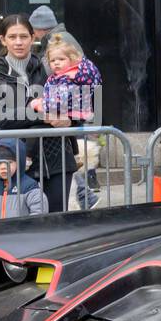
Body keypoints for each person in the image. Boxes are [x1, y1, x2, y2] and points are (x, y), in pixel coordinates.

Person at [0, 15, 74, 213]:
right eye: (12, 37)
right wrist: (38, 113)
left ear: (33, 38)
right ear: (2, 40)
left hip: (57, 157)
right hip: (15, 162)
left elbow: (76, 103)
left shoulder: (51, 67)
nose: (18, 42)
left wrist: (70, 119)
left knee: (57, 222)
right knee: (22, 227)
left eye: (23, 36)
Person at [34, 36, 103, 209]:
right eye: (52, 60)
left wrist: (38, 104)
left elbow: (60, 101)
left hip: (71, 116)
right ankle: (86, 196)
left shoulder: (69, 78)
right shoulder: (58, 77)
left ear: (71, 59)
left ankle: (86, 195)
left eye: (61, 59)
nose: (56, 63)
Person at [0, 138, 47, 221]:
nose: (3, 167)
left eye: (9, 162)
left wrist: (27, 228)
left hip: (21, 232)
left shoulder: (29, 186)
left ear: (19, 162)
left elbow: (39, 211)